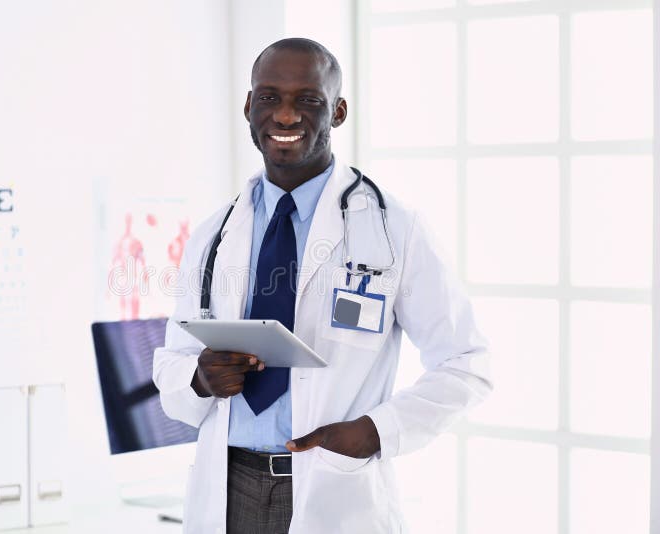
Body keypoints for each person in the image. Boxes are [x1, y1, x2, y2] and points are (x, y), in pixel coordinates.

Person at [153, 38, 492, 533]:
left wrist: (376, 432)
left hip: (335, 489)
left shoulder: (394, 229)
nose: (285, 116)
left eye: (307, 100)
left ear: (338, 111)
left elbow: (467, 363)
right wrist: (199, 380)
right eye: (269, 97)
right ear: (249, 106)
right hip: (229, 490)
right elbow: (173, 361)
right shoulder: (214, 235)